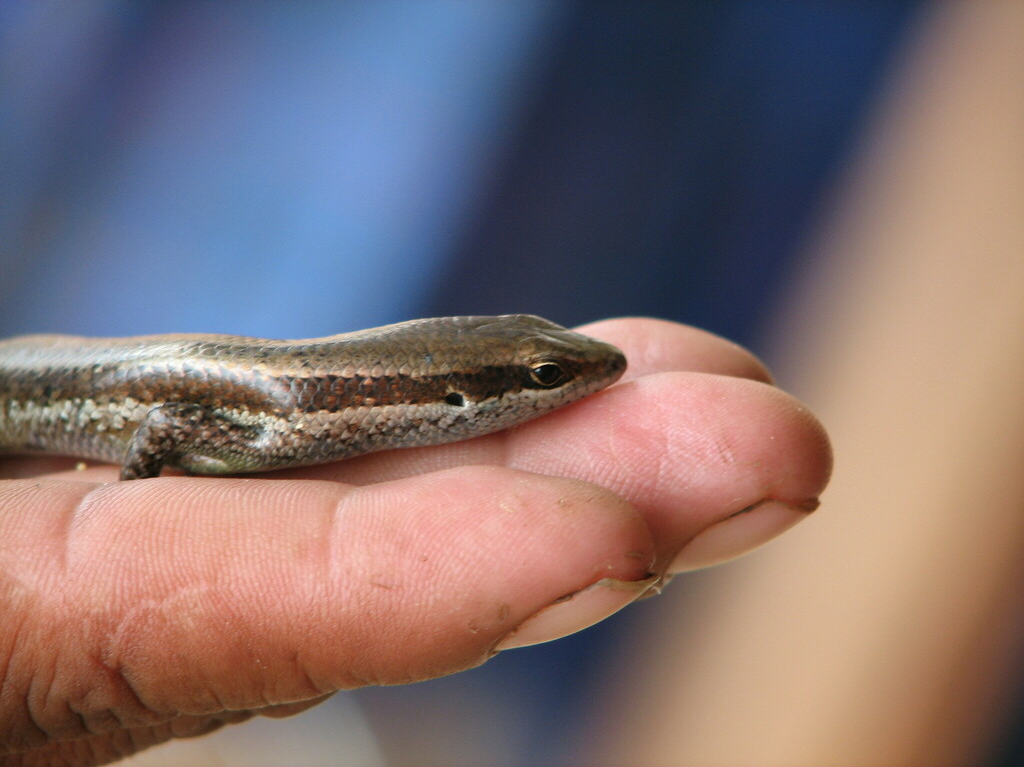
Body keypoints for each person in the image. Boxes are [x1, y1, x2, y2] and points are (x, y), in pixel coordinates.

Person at [0, 318, 831, 766]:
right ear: (462, 398)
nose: (591, 377)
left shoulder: (303, 416)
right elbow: (166, 421)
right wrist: (135, 497)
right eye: (545, 379)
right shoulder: (280, 419)